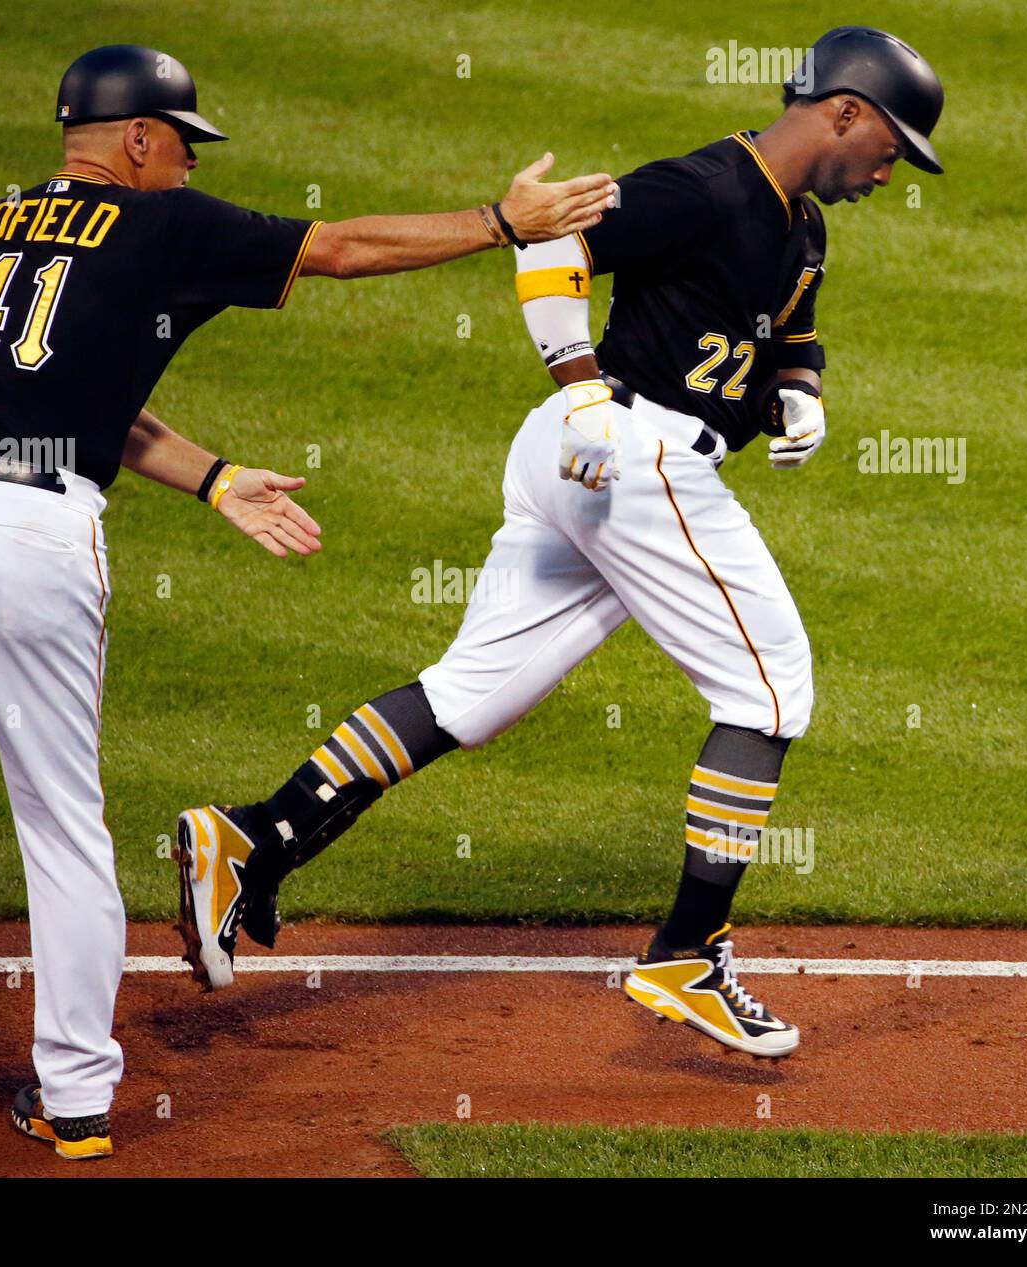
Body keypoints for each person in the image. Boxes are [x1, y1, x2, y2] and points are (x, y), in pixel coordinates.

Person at [0, 43, 616, 1159]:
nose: (191, 165)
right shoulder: (163, 223)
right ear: (138, 137)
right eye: (183, 144)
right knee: (58, 819)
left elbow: (71, 389)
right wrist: (499, 221)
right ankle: (75, 1095)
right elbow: (339, 248)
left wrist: (215, 477)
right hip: (27, 534)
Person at [175, 27, 944, 1060]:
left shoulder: (801, 227)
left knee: (471, 694)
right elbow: (551, 244)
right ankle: (686, 952)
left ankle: (254, 838)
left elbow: (789, 336)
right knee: (768, 692)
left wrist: (798, 396)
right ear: (845, 112)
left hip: (590, 464)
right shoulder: (704, 187)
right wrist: (578, 385)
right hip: (626, 457)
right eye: (893, 147)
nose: (890, 173)